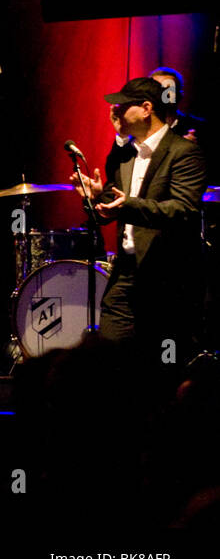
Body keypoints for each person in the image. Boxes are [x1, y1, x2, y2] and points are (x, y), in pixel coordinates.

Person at [71, 78, 206, 359]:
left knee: (160, 367)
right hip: (126, 273)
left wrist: (127, 205)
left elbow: (182, 210)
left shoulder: (184, 152)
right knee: (110, 357)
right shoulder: (128, 155)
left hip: (166, 275)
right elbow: (114, 206)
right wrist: (95, 197)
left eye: (122, 106)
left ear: (146, 108)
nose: (115, 112)